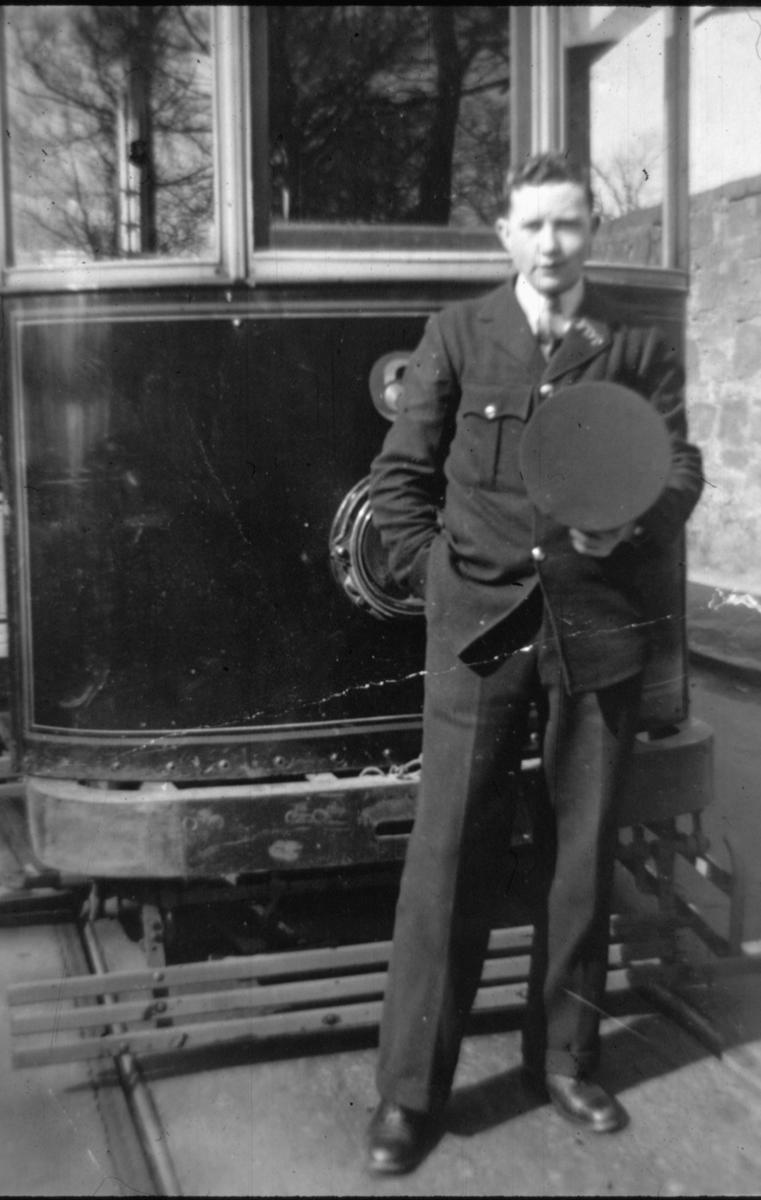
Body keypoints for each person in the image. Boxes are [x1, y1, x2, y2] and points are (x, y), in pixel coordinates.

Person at [365, 152, 704, 1174]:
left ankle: (562, 1059)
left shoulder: (632, 341)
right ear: (503, 237)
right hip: (488, 623)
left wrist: (630, 522)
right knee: (449, 852)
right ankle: (409, 1094)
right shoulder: (459, 336)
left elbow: (678, 469)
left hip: (594, 618)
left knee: (580, 848)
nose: (552, 246)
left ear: (590, 230)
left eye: (569, 225)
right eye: (534, 227)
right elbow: (396, 482)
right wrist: (444, 587)